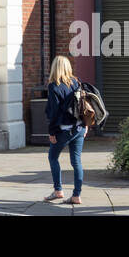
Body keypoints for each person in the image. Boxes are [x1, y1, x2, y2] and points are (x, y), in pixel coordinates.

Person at [43, 55, 85, 205]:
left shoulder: (54, 86)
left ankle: (58, 190)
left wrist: (52, 132)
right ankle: (76, 195)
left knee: (53, 157)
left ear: (55, 67)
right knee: (76, 162)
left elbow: (54, 113)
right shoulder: (76, 82)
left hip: (63, 131)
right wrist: (85, 126)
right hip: (79, 128)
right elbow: (83, 106)